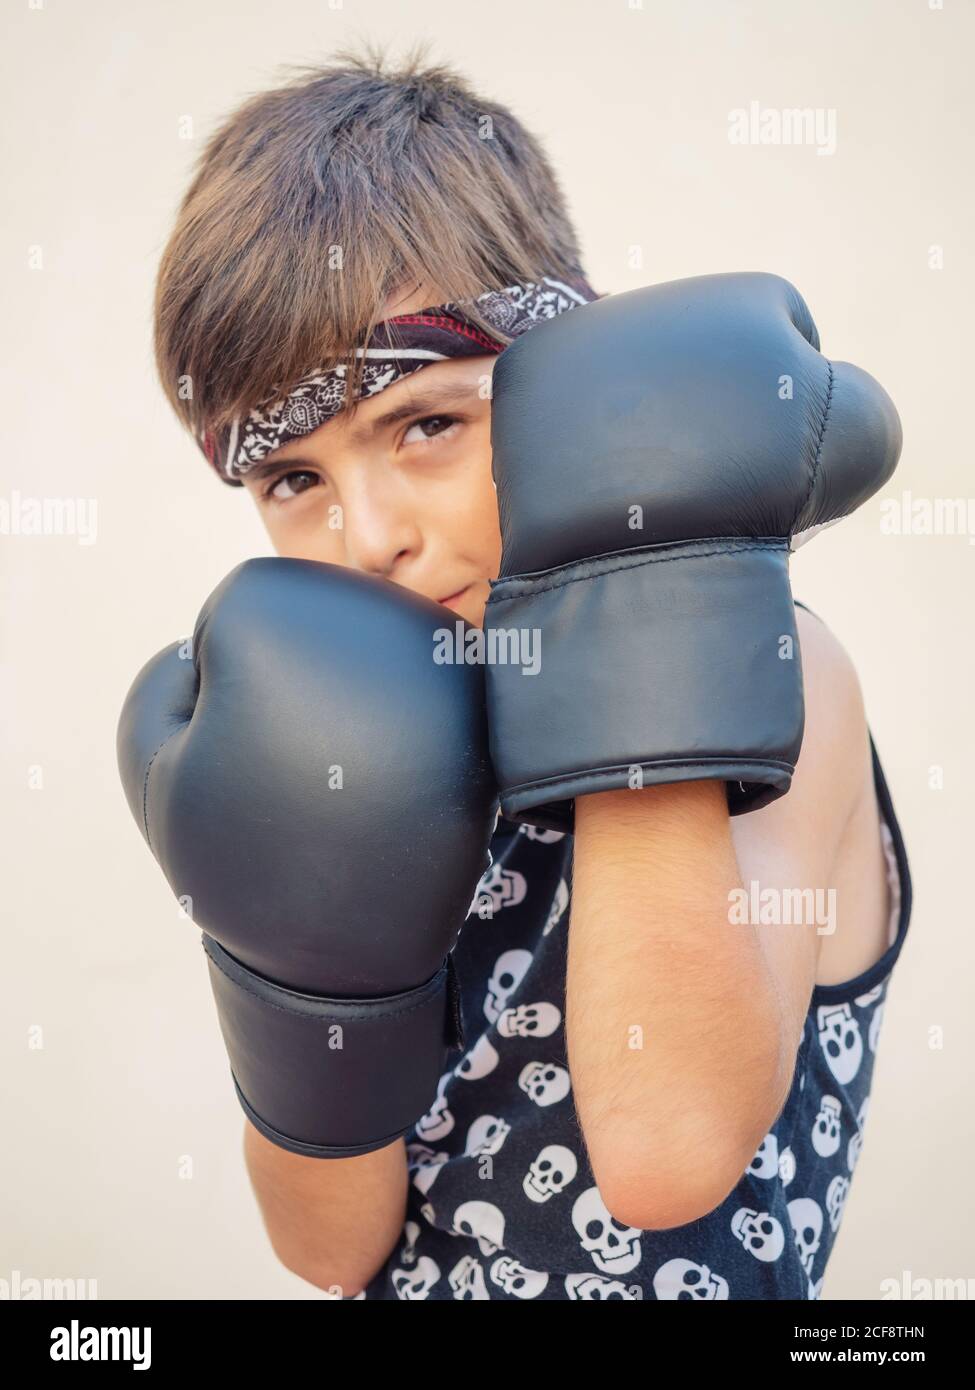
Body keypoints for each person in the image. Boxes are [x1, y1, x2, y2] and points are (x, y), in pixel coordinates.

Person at [122, 45, 911, 1300]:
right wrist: (299, 961)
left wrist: (638, 607)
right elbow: (330, 1250)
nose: (368, 533)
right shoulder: (325, 738)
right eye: (294, 480)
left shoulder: (784, 669)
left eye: (428, 424)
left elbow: (667, 1155)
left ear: (572, 388)